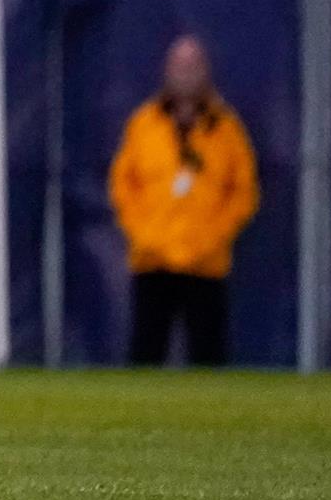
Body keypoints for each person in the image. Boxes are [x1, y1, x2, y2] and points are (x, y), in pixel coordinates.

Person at [109, 35, 260, 366]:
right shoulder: (145, 124)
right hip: (153, 258)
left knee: (208, 355)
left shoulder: (225, 129)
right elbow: (123, 184)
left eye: (193, 66)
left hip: (205, 261)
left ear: (205, 71)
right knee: (146, 353)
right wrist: (141, 231)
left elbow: (244, 191)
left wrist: (216, 234)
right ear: (167, 71)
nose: (186, 74)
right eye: (180, 65)